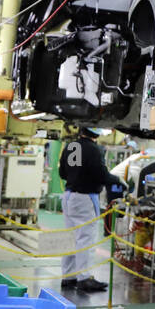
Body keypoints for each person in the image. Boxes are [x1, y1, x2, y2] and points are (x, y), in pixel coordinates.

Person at [57, 125, 119, 293]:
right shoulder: (94, 150)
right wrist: (117, 180)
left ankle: (68, 277)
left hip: (69, 196)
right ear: (96, 132)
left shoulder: (70, 146)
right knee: (86, 238)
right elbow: (101, 175)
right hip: (85, 198)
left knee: (70, 237)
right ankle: (84, 278)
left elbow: (62, 173)